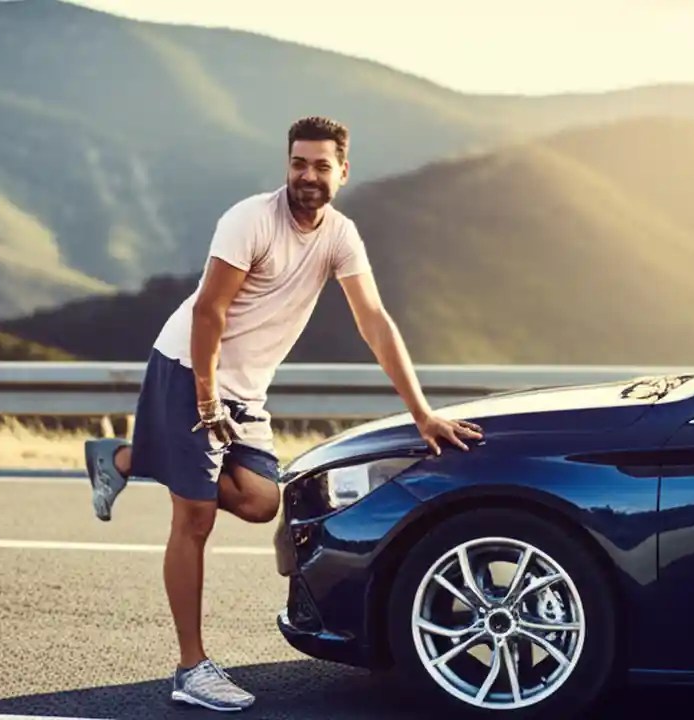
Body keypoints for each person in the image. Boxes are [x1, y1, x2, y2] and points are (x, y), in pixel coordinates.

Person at [84, 115, 484, 712]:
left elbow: (374, 322)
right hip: (189, 370)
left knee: (260, 500)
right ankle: (190, 669)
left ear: (343, 172)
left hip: (244, 390)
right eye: (299, 163)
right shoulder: (250, 220)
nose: (308, 176)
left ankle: (122, 456)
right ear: (287, 165)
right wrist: (205, 400)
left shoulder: (341, 236)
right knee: (194, 518)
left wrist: (423, 413)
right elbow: (208, 314)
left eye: (322, 166)